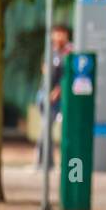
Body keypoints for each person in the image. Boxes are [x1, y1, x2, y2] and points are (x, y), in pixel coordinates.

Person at [34, 24, 72, 169]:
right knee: (45, 129)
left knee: (63, 130)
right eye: (56, 34)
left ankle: (65, 163)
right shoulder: (50, 51)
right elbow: (45, 69)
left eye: (61, 34)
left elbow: (68, 74)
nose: (58, 37)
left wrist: (58, 90)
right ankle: (44, 162)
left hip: (61, 98)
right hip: (45, 95)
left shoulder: (69, 52)